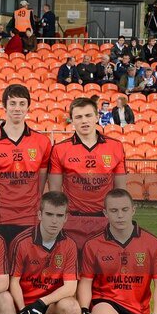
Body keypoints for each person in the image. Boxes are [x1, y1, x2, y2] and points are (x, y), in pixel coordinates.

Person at [9, 191, 82, 314]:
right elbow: (14, 282)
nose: (54, 221)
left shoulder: (69, 245)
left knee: (73, 308)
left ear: (66, 218)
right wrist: (25, 310)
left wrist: (41, 304)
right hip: (24, 308)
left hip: (48, 306)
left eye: (59, 216)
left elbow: (70, 287)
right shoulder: (21, 241)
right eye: (49, 214)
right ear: (40, 214)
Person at [48, 97, 127, 249]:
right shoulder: (60, 149)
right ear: (72, 120)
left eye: (88, 116)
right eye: (78, 117)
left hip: (105, 221)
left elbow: (121, 192)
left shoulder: (115, 146)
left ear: (97, 117)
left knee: (104, 272)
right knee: (73, 271)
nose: (84, 121)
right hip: (72, 222)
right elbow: (55, 193)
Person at [0, 84, 52, 246]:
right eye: (12, 103)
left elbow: (41, 183)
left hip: (31, 219)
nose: (17, 108)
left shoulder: (42, 142)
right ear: (4, 106)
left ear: (28, 107)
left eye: (22, 103)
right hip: (0, 219)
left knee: (29, 269)